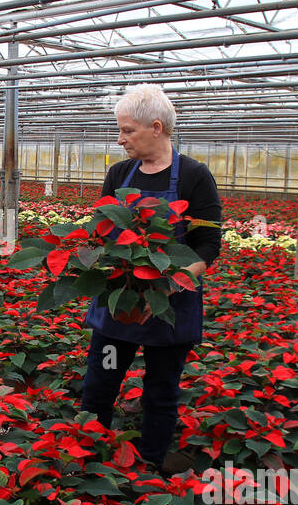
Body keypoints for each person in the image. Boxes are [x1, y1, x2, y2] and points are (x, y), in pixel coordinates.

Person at [79, 84, 222, 481]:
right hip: (119, 304)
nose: (120, 139)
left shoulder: (194, 176)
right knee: (100, 381)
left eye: (127, 131)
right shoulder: (119, 174)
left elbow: (207, 246)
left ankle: (150, 467)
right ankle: (89, 458)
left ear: (155, 127)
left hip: (169, 306)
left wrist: (166, 287)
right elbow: (101, 231)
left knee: (161, 391)